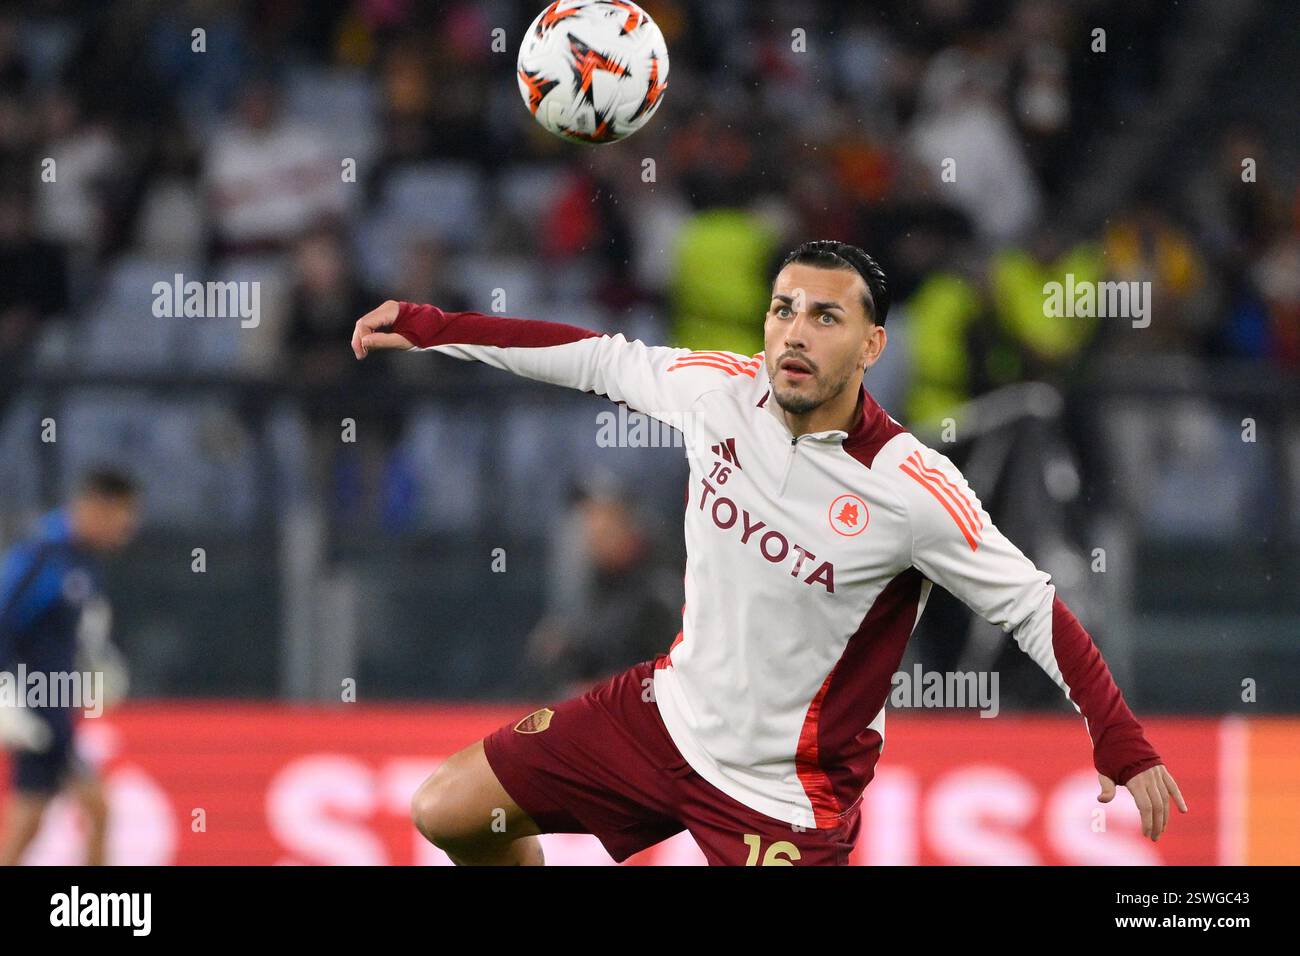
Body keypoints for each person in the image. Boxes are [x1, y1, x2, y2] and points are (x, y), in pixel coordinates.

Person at [351, 239, 1187, 866]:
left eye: (826, 316)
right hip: (663, 718)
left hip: (785, 801)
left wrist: (1117, 737)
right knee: (450, 808)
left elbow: (1033, 606)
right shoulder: (720, 393)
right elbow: (592, 358)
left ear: (871, 347)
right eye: (784, 308)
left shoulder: (912, 489)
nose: (795, 332)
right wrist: (435, 326)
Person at [0, 469, 139, 866]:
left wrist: (96, 663)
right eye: (122, 519)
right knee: (97, 808)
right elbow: (4, 620)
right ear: (96, 507)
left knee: (30, 821)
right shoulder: (41, 555)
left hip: (56, 709)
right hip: (35, 711)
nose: (125, 532)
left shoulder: (85, 561)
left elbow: (79, 632)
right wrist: (4, 694)